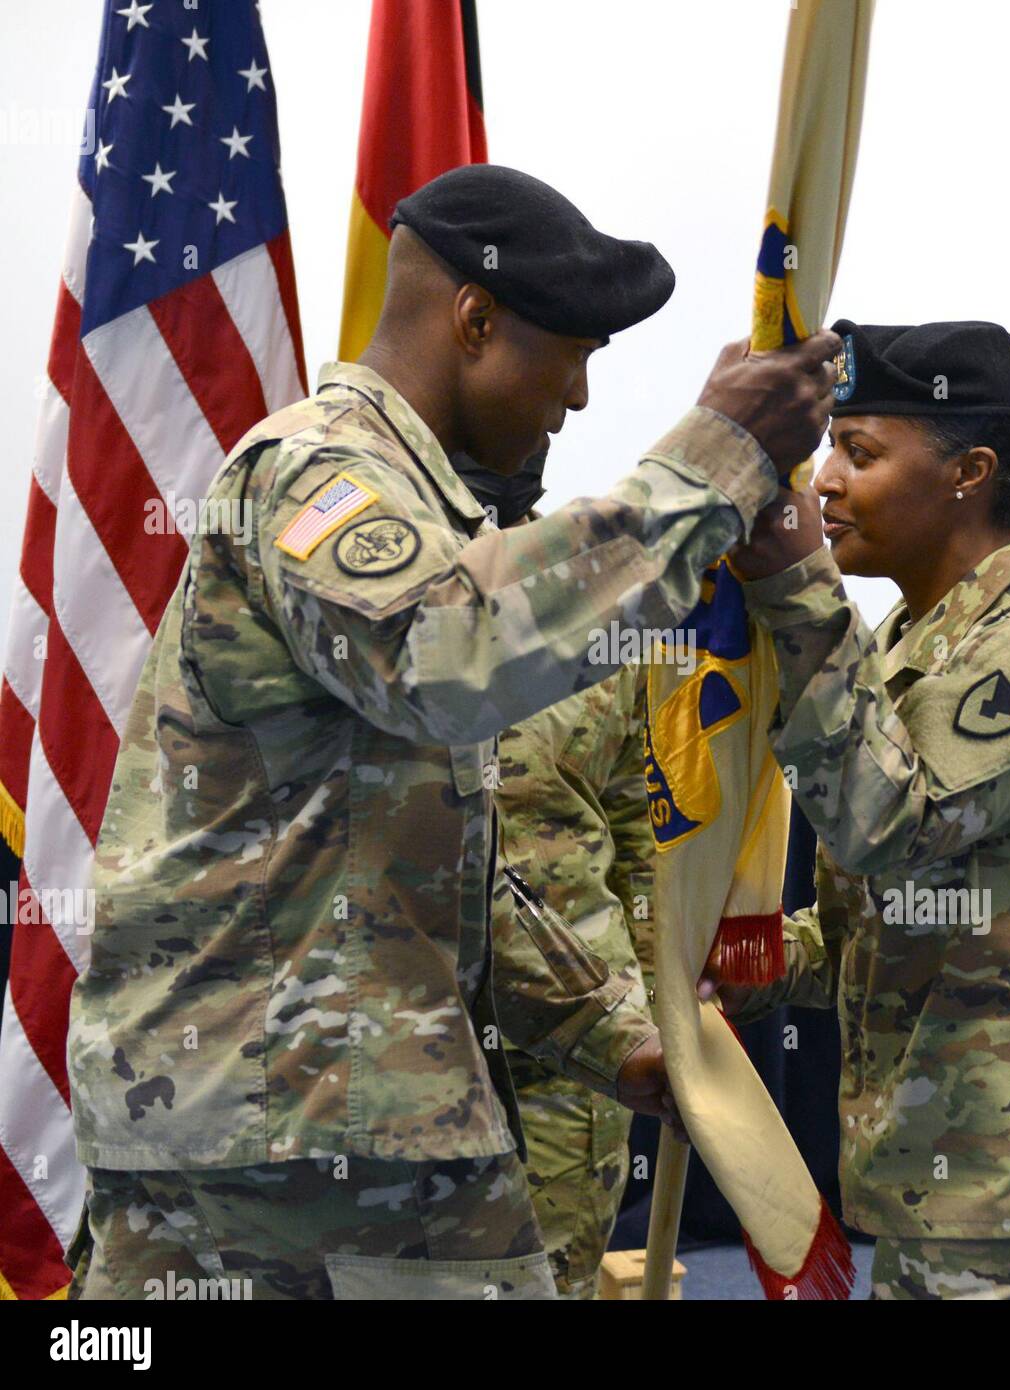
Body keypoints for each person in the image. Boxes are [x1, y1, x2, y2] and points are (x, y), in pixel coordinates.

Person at [65, 164, 838, 1300]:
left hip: (295, 1114)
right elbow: (449, 652)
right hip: (292, 1126)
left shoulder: (424, 511)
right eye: (569, 353)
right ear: (474, 320)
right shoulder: (315, 472)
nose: (575, 397)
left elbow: (448, 867)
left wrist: (614, 1031)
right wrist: (714, 456)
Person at [708, 319, 1010, 1300]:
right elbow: (889, 920)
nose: (824, 483)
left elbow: (886, 825)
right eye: (824, 452)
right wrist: (760, 958)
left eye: (858, 453)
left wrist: (793, 590)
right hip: (946, 1165)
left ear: (968, 471)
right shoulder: (914, 639)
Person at [449, 444, 655, 1300]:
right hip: (417, 1064)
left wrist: (663, 1005)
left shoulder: (593, 607)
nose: (566, 397)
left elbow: (638, 827)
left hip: (573, 1080)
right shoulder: (371, 610)